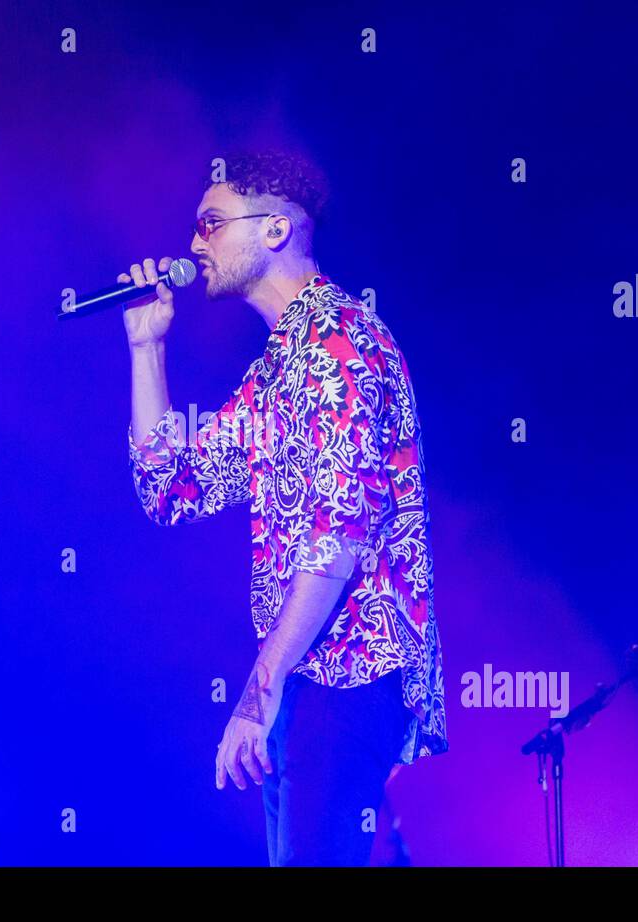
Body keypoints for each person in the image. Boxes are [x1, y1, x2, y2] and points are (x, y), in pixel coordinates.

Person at [122, 150, 447, 866]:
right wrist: (147, 350)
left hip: (349, 676)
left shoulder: (338, 343)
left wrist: (254, 696)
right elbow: (172, 490)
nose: (192, 244)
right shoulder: (281, 365)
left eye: (210, 224)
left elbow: (338, 540)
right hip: (309, 679)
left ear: (273, 231)